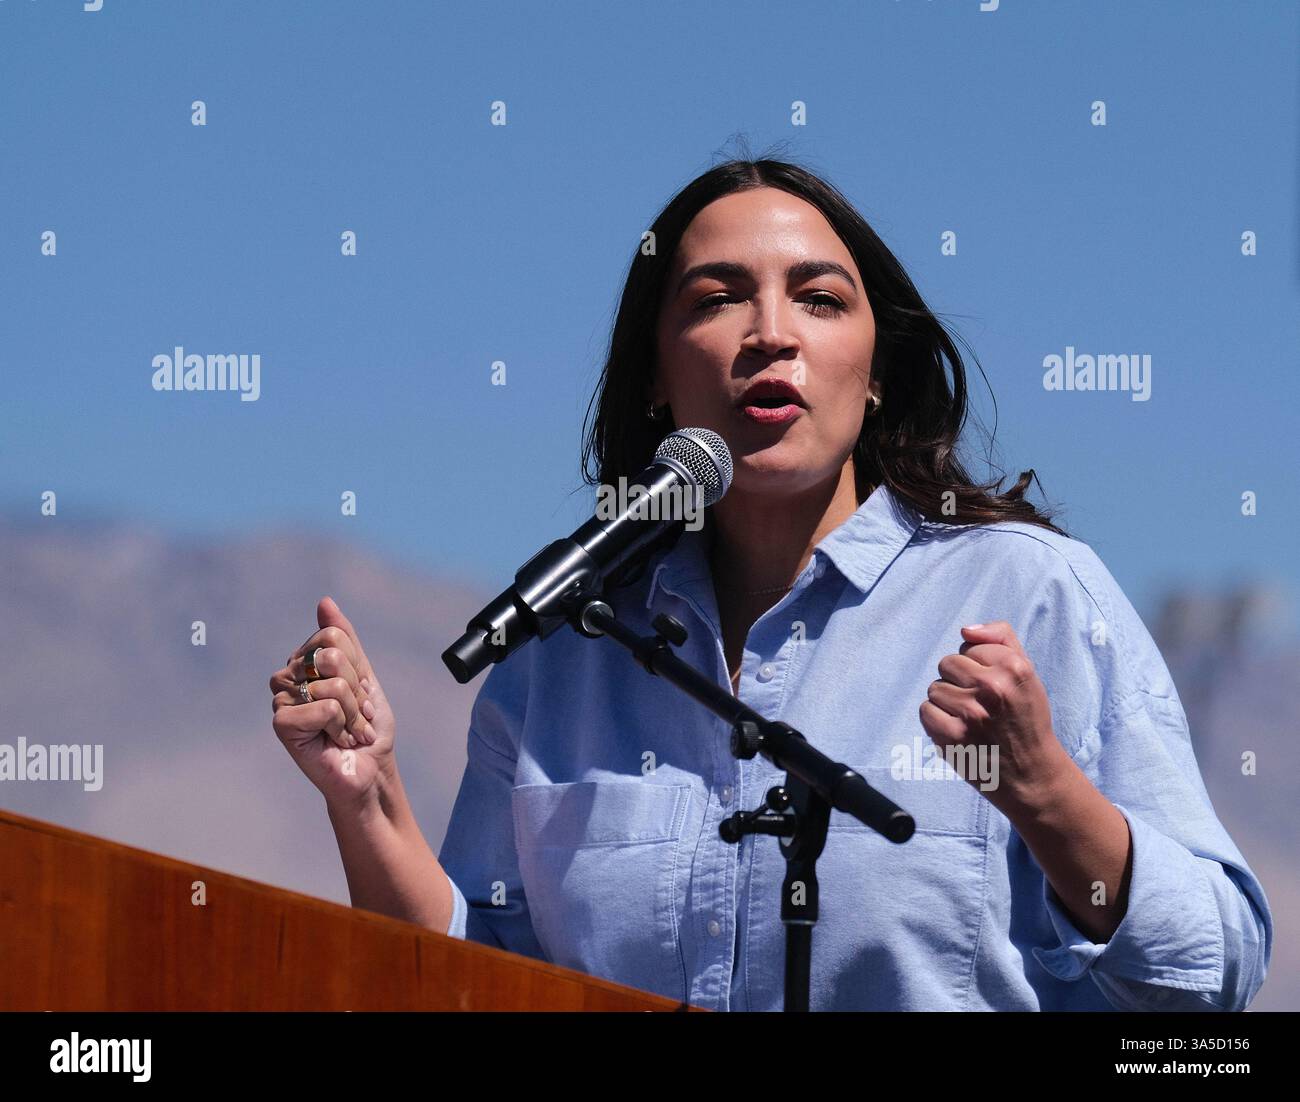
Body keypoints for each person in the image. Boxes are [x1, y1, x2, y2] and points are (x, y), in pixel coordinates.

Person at [267, 156, 1272, 1011]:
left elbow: (1213, 968)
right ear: (656, 373)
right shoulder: (566, 654)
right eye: (715, 299)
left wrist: (1047, 795)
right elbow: (473, 986)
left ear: (876, 368)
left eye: (819, 298)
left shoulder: (1025, 590)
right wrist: (369, 801)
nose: (769, 333)